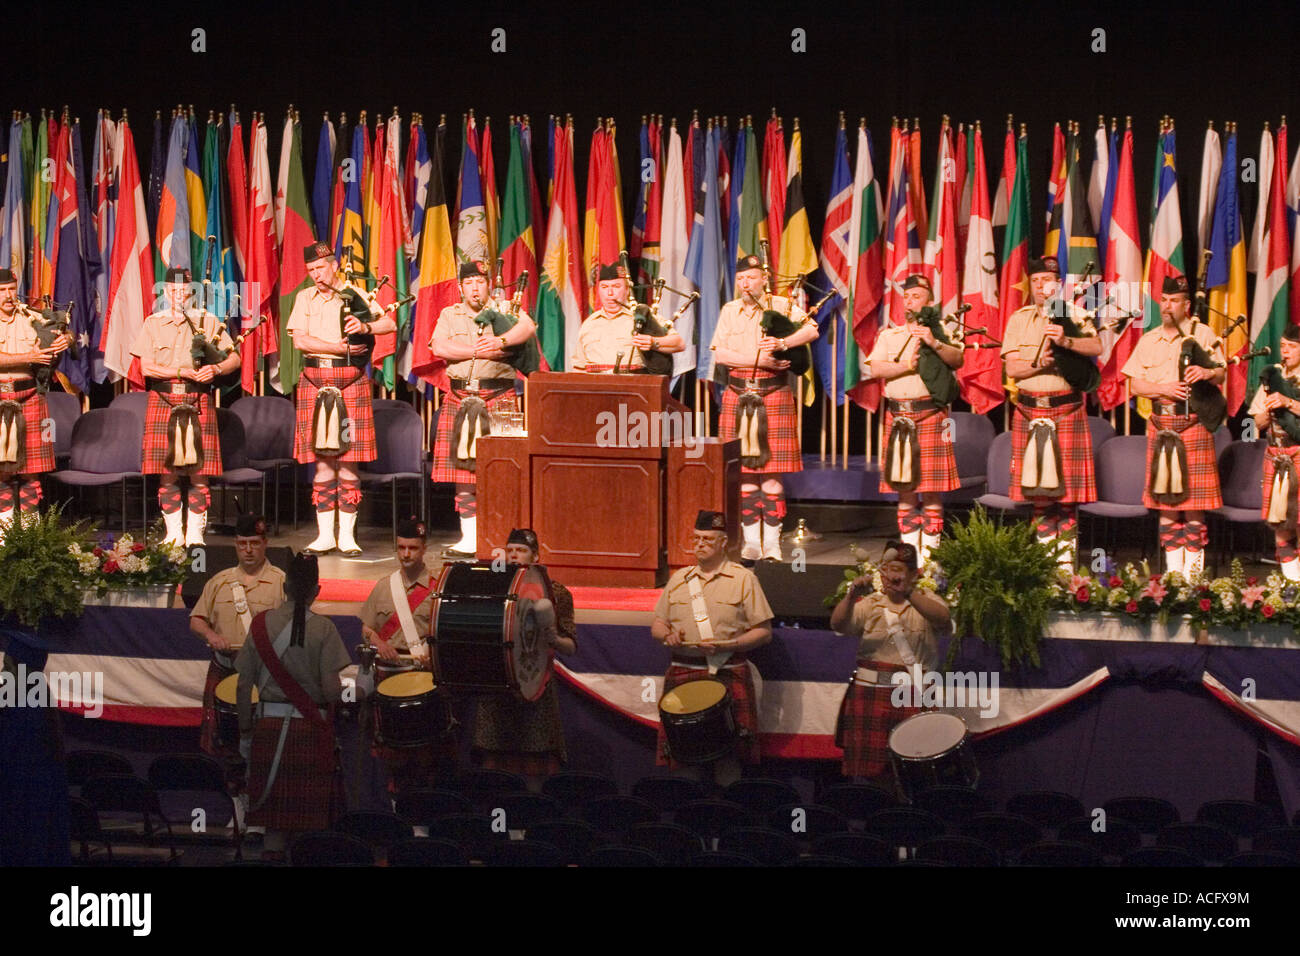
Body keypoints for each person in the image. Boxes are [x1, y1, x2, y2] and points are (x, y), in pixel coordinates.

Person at [236, 552, 349, 862]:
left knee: (274, 826)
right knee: (307, 828)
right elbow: (331, 692)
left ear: (284, 587)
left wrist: (245, 735)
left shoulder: (260, 625)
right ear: (317, 591)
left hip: (268, 730)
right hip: (310, 731)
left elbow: (244, 686)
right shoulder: (324, 629)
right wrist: (360, 690)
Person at [650, 510, 773, 786]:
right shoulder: (679, 578)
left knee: (728, 757)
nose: (699, 544)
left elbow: (764, 632)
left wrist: (730, 644)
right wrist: (667, 635)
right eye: (696, 539)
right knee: (684, 756)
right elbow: (657, 624)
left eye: (707, 539)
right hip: (684, 672)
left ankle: (726, 819)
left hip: (728, 671)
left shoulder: (743, 579)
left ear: (723, 543)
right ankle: (689, 818)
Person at [711, 255, 819, 562]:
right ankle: (751, 544)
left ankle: (771, 545)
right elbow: (720, 355)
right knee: (745, 474)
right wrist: (757, 361)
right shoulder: (729, 310)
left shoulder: (783, 306)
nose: (745, 284)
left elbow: (812, 330)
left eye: (751, 278)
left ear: (763, 279)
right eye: (741, 279)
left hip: (773, 395)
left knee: (771, 474)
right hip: (738, 393)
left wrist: (784, 344)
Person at [287, 240, 392, 556]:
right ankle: (325, 537)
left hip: (351, 387)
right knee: (322, 463)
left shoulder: (356, 294)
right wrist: (340, 348)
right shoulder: (304, 297)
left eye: (320, 268)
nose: (316, 275)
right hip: (314, 385)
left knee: (347, 463)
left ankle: (346, 537)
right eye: (310, 270)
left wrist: (364, 325)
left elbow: (388, 323)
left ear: (334, 265)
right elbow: (301, 341)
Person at [430, 261, 537, 557]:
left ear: (488, 284)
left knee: (504, 472)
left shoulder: (505, 308)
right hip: (461, 398)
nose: (475, 288)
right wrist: (475, 350)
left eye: (480, 281)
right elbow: (439, 347)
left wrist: (501, 340)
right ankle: (469, 539)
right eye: (470, 282)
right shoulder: (449, 315)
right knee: (464, 473)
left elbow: (528, 328)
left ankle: (500, 534)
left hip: (501, 397)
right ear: (461, 287)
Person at [1001, 257, 1102, 570]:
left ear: (1057, 284)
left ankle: (1065, 572)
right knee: (1041, 496)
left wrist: (1065, 340)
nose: (1042, 287)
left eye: (1048, 280)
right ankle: (1046, 571)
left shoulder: (1075, 315)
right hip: (1030, 412)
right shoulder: (1019, 319)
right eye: (1036, 281)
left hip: (1067, 412)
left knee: (1067, 498)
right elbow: (1013, 369)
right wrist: (1041, 363)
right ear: (1030, 285)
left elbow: (1097, 347)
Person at [1122, 274, 1224, 579]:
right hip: (1161, 426)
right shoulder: (1149, 339)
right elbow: (1136, 385)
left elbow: (1221, 374)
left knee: (1193, 505)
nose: (1168, 306)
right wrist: (1163, 388)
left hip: (1193, 426)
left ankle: (1193, 579)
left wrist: (1206, 373)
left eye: (1175, 300)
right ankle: (1174, 577)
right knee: (1167, 503)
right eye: (1164, 300)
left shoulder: (1202, 334)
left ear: (1186, 305)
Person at [130, 266, 240, 546]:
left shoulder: (208, 321)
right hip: (164, 399)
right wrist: (181, 372)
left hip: (198, 399)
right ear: (166, 291)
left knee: (198, 471)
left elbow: (234, 360)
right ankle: (174, 534)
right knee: (167, 472)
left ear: (192, 292)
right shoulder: (153, 323)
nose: (180, 294)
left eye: (185, 289)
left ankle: (195, 534)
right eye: (174, 289)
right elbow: (147, 367)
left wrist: (215, 369)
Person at [190, 513, 285, 823]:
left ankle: (262, 812)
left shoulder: (282, 582)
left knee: (262, 748)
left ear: (265, 543)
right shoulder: (219, 581)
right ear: (235, 544)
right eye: (242, 543)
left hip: (263, 676)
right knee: (230, 747)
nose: (248, 550)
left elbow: (296, 627)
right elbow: (196, 619)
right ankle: (239, 810)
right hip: (225, 672)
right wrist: (211, 635)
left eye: (254, 543)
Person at [828, 540, 950, 783]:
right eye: (888, 569)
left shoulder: (928, 601)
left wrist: (908, 593)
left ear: (914, 574)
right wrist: (851, 595)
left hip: (913, 694)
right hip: (871, 693)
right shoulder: (871, 603)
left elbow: (943, 619)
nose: (892, 576)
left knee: (915, 770)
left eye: (898, 570)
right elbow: (838, 624)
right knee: (870, 775)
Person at [866, 274, 964, 566]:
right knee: (906, 490)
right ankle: (910, 557)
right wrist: (906, 365)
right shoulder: (890, 335)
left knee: (931, 491)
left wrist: (933, 342)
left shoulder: (944, 330)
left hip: (931, 415)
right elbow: (876, 369)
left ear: (930, 301)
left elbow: (957, 360)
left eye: (917, 296)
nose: (910, 301)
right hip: (899, 418)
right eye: (907, 297)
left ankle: (931, 561)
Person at [471, 528, 575, 786]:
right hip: (498, 686)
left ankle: (530, 822)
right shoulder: (490, 590)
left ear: (536, 556)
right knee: (494, 771)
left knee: (534, 767)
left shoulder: (556, 593)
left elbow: (571, 646)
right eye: (510, 551)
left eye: (521, 551)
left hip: (535, 687)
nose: (514, 556)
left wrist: (554, 638)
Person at [358, 516, 449, 795]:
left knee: (425, 750)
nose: (406, 554)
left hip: (422, 678)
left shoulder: (437, 588)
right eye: (401, 548)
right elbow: (366, 627)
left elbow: (445, 632)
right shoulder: (385, 585)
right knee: (393, 752)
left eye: (412, 548)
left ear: (424, 549)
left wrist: (431, 653)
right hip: (388, 676)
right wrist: (379, 642)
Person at [0, 269, 68, 541]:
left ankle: (30, 536)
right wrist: (28, 356)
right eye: (2, 291)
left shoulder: (31, 317)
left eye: (11, 290)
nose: (8, 296)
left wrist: (65, 339)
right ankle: (3, 536)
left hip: (29, 397)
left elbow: (60, 331)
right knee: (2, 473)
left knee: (30, 472)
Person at [1250, 324, 1300, 580]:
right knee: (1281, 524)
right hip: (1276, 454)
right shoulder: (1273, 376)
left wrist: (1288, 402)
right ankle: (1293, 587)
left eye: (1291, 347)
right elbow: (1255, 423)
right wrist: (1266, 414)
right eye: (1283, 346)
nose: (1285, 351)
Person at [571, 261, 683, 372]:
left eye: (616, 286)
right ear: (598, 290)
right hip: (594, 387)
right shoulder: (589, 323)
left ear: (627, 290)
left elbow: (679, 344)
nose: (610, 293)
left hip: (632, 385)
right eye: (604, 287)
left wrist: (653, 342)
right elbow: (578, 367)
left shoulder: (641, 315)